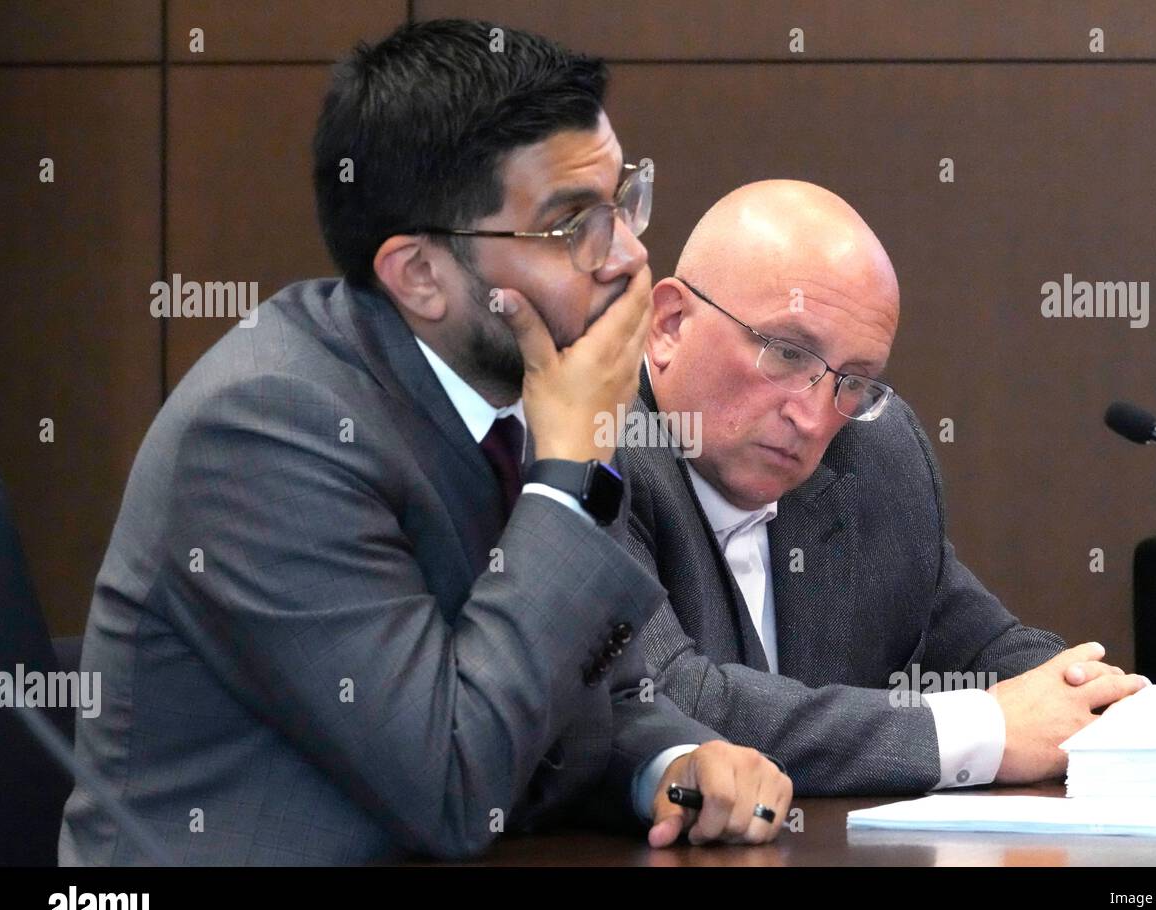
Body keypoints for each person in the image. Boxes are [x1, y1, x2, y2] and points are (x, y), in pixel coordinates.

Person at [59, 19, 790, 866]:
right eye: (571, 227)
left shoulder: (522, 387)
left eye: (623, 202)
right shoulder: (265, 433)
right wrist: (566, 473)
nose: (629, 256)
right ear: (417, 275)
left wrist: (671, 762)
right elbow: (455, 781)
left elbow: (568, 694)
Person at [623, 180, 1149, 795]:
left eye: (853, 381)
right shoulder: (592, 451)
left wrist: (1112, 708)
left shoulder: (872, 453)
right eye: (789, 354)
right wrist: (983, 731)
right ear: (670, 324)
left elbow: (983, 646)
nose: (815, 417)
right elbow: (671, 704)